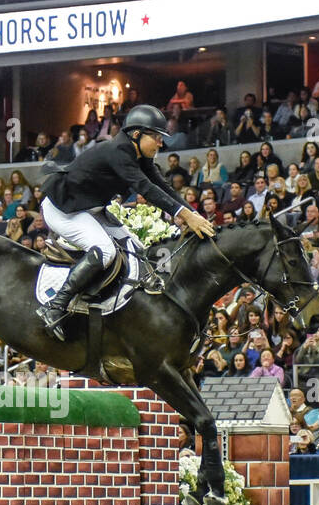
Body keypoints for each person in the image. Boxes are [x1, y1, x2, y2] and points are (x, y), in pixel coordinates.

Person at [36, 105, 215, 339]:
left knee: (136, 247)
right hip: (63, 209)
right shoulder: (118, 151)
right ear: (137, 134)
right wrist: (186, 216)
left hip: (89, 208)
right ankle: (55, 307)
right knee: (105, 251)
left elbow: (162, 185)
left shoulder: (137, 154)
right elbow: (146, 189)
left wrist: (193, 213)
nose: (161, 143)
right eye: (157, 137)